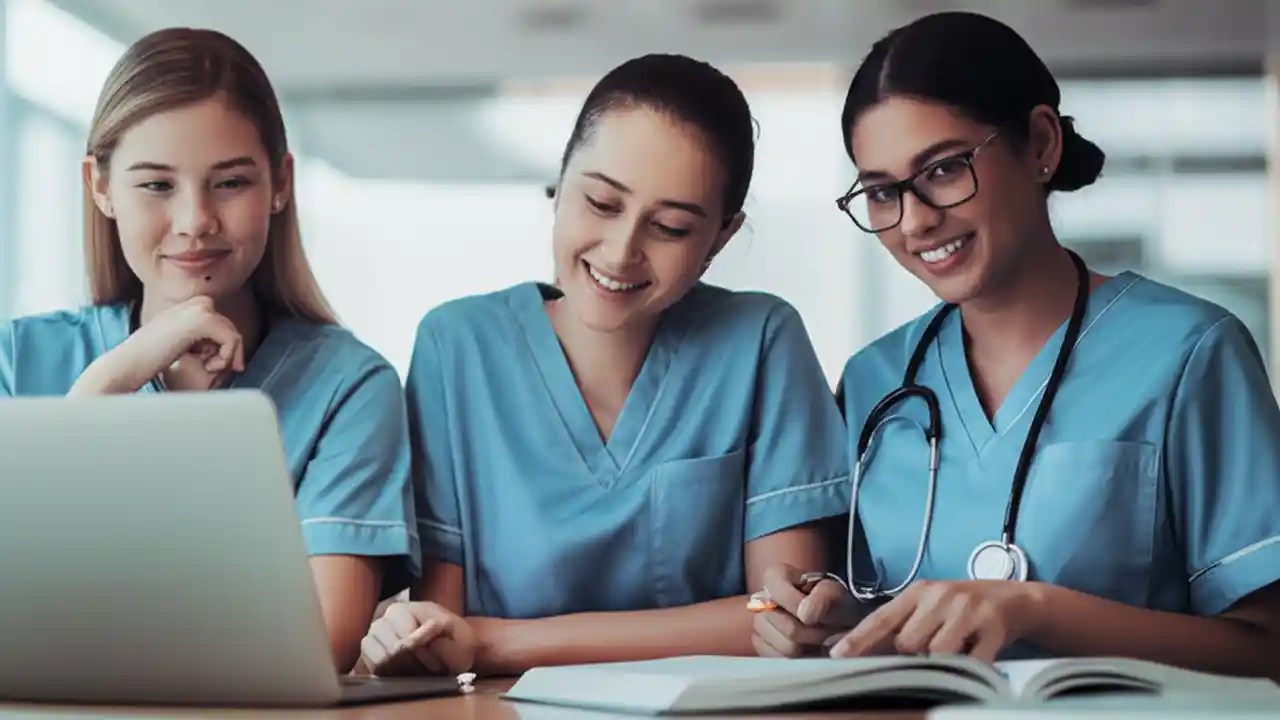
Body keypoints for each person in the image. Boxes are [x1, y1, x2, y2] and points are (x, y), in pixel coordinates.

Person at [753, 11, 1280, 679]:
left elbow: (1268, 647)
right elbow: (864, 607)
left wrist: (1036, 610)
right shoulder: (873, 382)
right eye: (883, 192)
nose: (915, 221)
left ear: (1039, 145)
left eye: (943, 170)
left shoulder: (1191, 353)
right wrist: (820, 622)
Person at [360, 54, 849, 677]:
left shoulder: (760, 341)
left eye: (671, 227)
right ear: (560, 183)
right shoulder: (457, 347)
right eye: (600, 202)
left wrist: (499, 643)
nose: (621, 253)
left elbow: (775, 617)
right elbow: (440, 633)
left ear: (720, 239)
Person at [0, 28, 417, 673]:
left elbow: (320, 641)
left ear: (279, 183)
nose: (195, 220)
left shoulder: (350, 387)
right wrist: (109, 382)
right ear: (100, 186)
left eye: (229, 183)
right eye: (157, 186)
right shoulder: (17, 358)